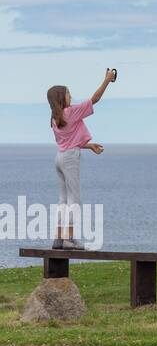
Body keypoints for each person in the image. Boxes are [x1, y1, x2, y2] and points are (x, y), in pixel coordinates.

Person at [46, 69, 114, 249]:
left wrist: (89, 145)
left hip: (59, 158)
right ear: (62, 98)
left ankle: (59, 238)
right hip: (69, 159)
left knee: (63, 199)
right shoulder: (71, 112)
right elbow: (95, 99)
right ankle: (69, 239)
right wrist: (106, 80)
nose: (71, 96)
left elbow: (67, 141)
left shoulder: (55, 118)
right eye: (68, 94)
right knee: (74, 200)